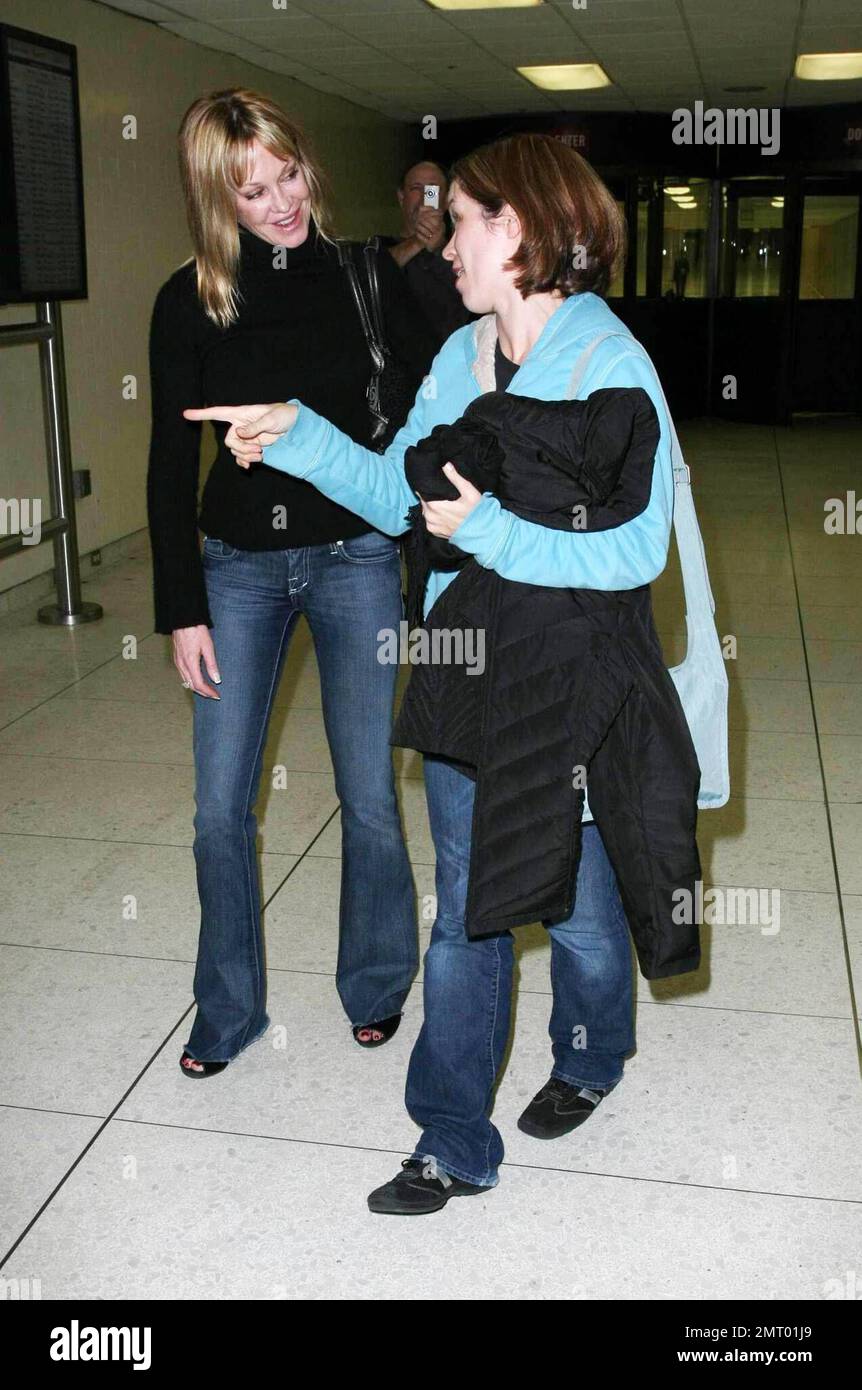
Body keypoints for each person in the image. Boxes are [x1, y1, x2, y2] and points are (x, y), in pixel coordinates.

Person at [186, 133, 717, 1212]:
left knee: (571, 907)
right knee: (469, 906)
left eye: (459, 218)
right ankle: (451, 1137)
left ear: (515, 230)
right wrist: (293, 434)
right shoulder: (460, 356)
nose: (440, 239)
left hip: (571, 676)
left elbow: (630, 553)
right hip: (468, 662)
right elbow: (394, 495)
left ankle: (591, 1052)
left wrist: (496, 532)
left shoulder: (611, 365)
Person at [147, 88, 434, 1078]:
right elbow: (163, 463)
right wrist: (179, 605)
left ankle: (377, 978)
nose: (279, 203)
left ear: (306, 162)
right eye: (251, 191)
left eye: (287, 176)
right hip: (236, 567)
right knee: (219, 806)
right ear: (215, 200)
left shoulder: (364, 278)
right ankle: (225, 1007)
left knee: (366, 789)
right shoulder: (188, 298)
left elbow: (417, 408)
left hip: (355, 554)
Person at [378, 159, 474, 363]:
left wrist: (437, 250)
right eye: (415, 188)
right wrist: (418, 242)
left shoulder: (463, 254)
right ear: (401, 197)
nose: (424, 198)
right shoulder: (378, 247)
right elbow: (375, 273)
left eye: (432, 190)